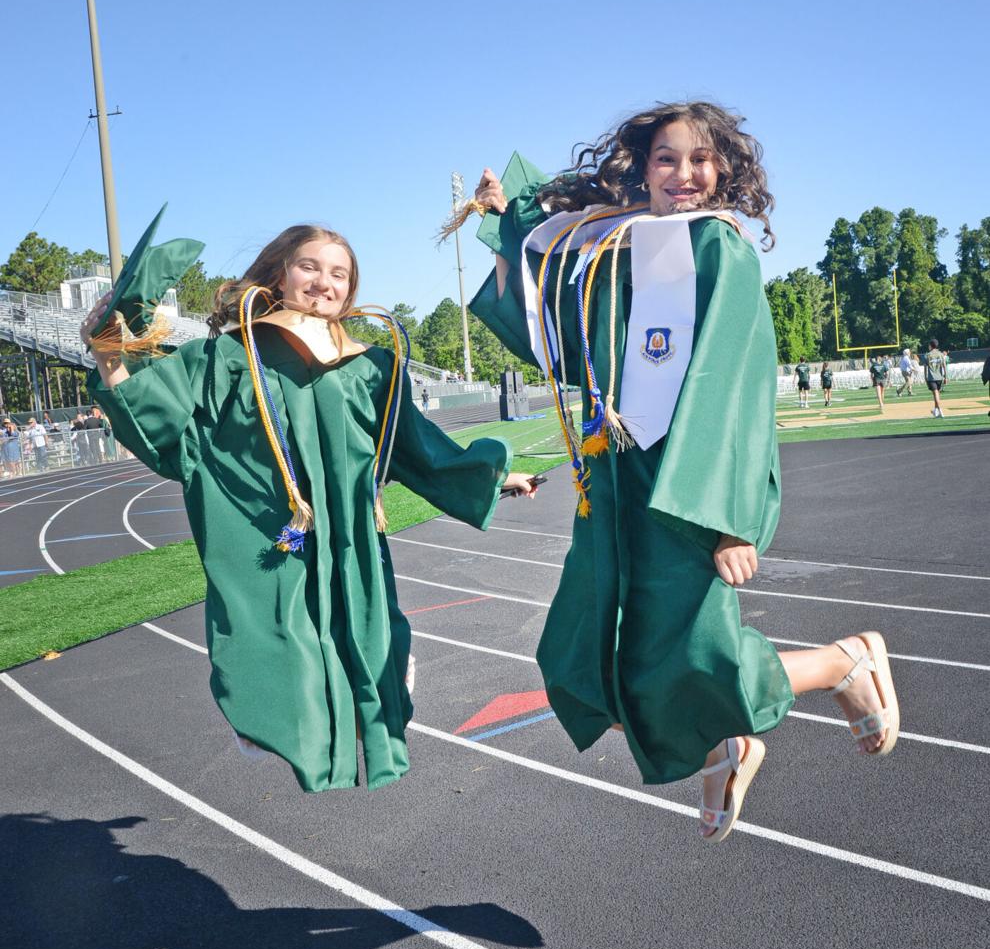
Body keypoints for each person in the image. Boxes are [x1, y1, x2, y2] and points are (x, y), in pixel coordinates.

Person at [467, 101, 899, 842]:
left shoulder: (717, 249)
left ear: (725, 169)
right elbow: (563, 339)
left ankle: (841, 664)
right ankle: (723, 745)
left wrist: (731, 518)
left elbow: (733, 383)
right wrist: (511, 226)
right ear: (642, 168)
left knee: (694, 648)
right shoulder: (614, 248)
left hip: (686, 488)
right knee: (582, 653)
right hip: (614, 480)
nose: (684, 175)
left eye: (701, 159)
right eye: (666, 159)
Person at [81, 224, 537, 793]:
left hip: (350, 540)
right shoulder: (227, 357)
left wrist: (495, 480)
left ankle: (356, 743)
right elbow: (165, 424)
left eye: (338, 274)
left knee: (374, 645)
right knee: (278, 648)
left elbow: (416, 448)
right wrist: (107, 356)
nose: (323, 282)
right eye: (309, 267)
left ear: (350, 291)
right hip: (277, 535)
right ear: (280, 273)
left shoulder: (371, 367)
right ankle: (278, 730)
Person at [923, 339, 948, 417]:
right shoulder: (941, 354)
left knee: (936, 393)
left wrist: (925, 378)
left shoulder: (928, 355)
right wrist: (946, 377)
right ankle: (935, 410)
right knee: (937, 394)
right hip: (939, 377)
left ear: (930, 346)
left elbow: (925, 368)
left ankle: (940, 409)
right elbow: (944, 366)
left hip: (932, 378)